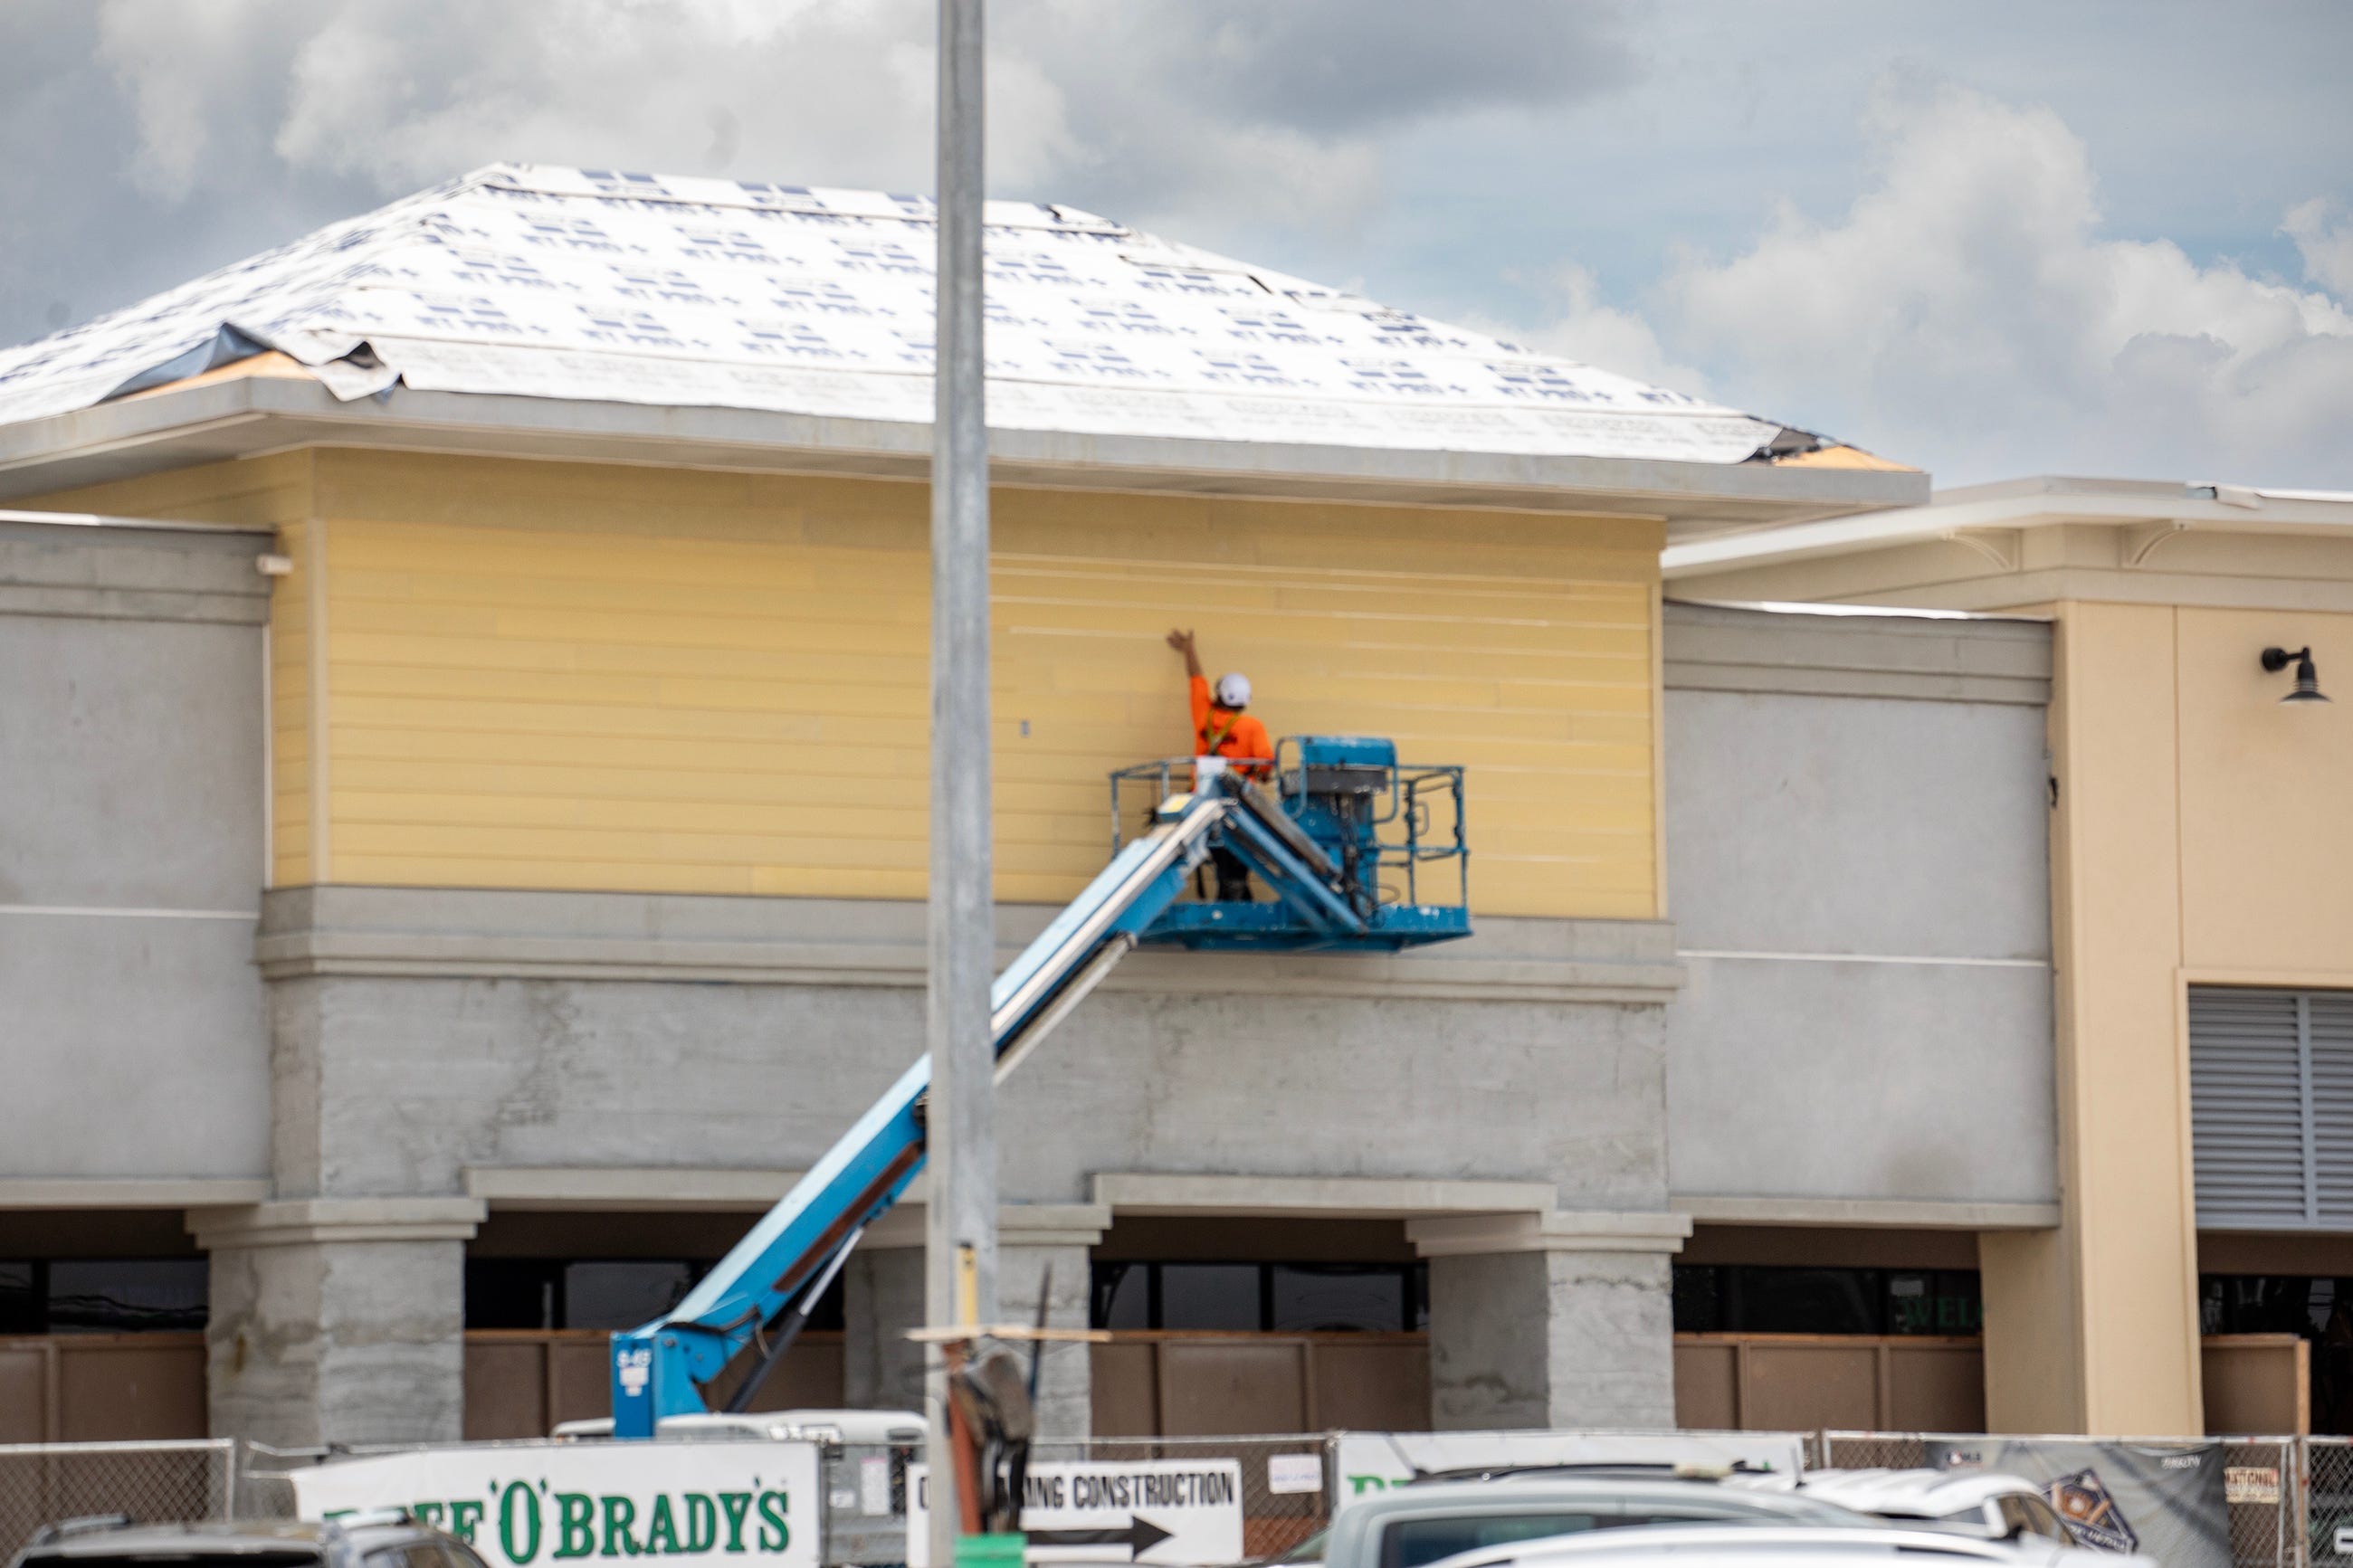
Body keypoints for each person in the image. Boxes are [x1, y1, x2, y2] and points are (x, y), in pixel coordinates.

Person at [1167, 628, 1271, 902]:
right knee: (1236, 857)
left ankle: (1230, 894)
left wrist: (1189, 648)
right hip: (1237, 807)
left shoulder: (1204, 716)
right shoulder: (1252, 727)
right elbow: (1265, 768)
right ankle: (1235, 894)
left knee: (1219, 854)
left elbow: (1196, 679)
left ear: (1220, 694)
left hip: (1200, 802)